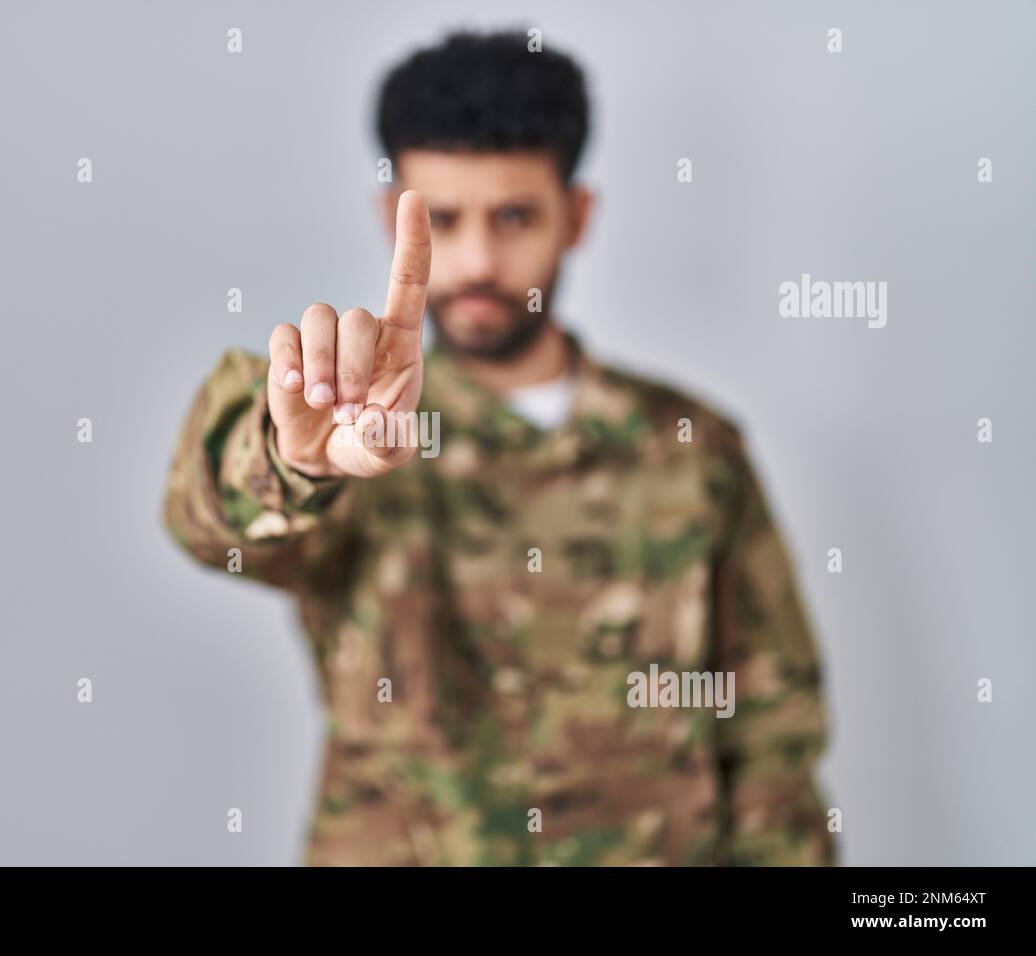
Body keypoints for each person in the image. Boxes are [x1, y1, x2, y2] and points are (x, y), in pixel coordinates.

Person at [164, 30, 836, 866]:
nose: (478, 261)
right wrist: (296, 460)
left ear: (576, 217)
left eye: (514, 216)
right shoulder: (356, 436)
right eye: (442, 219)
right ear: (392, 219)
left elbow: (772, 732)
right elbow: (208, 524)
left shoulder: (693, 450)